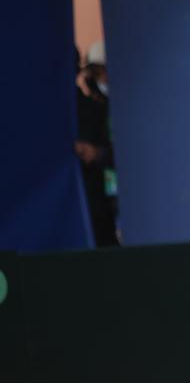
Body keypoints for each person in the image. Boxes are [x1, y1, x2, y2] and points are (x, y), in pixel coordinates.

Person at [74, 40, 120, 247]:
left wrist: (97, 154)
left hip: (104, 207)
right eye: (96, 72)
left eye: (103, 71)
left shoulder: (96, 112)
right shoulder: (93, 108)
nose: (101, 78)